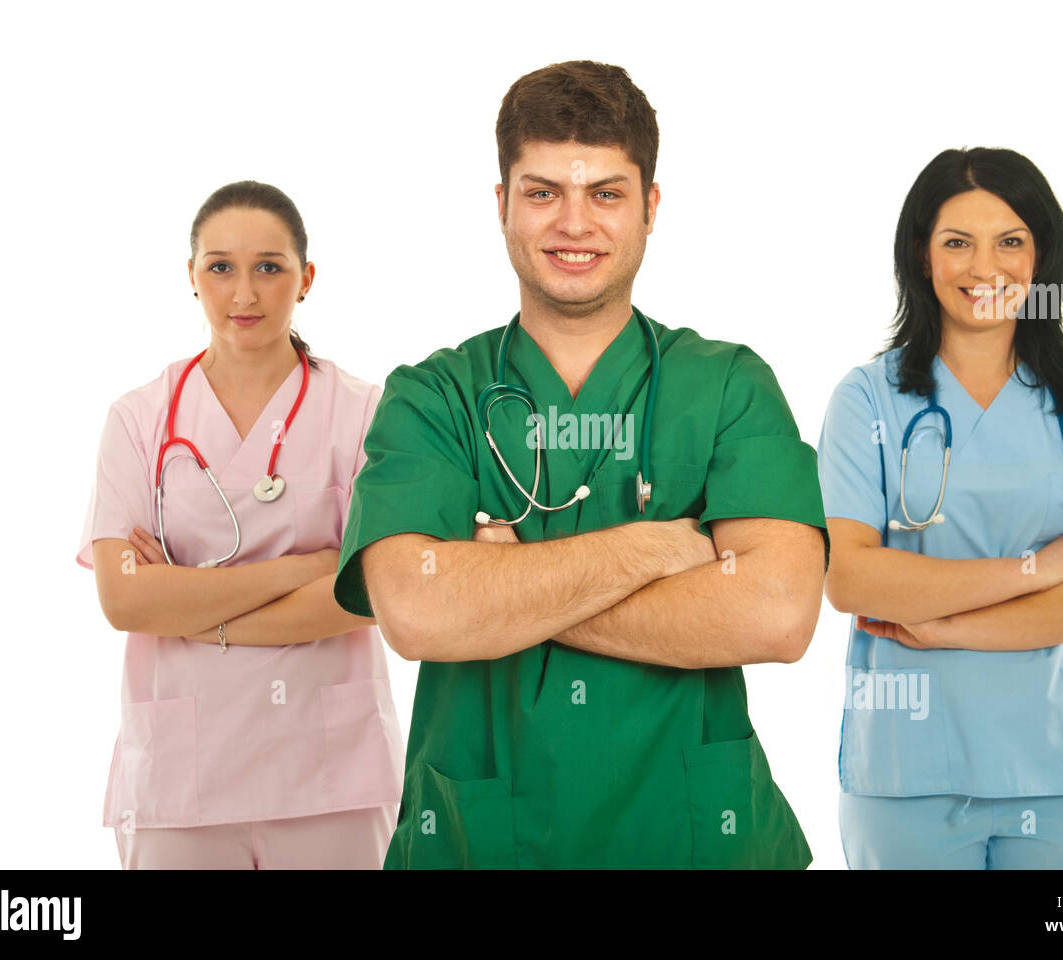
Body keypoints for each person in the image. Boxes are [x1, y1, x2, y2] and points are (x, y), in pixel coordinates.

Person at [332, 60, 829, 869]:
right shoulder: (433, 396)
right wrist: (656, 550)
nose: (574, 223)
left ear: (650, 208)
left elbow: (776, 613)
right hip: (485, 839)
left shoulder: (729, 384)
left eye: (605, 193)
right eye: (542, 193)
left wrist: (506, 585)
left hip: (696, 835)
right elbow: (418, 613)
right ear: (500, 206)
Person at [817, 147, 1063, 869]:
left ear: (1042, 257)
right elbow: (854, 580)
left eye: (1011, 242)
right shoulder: (867, 401)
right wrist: (1037, 570)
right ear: (921, 254)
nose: (985, 268)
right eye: (957, 243)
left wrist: (944, 630)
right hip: (907, 778)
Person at [76, 180, 404, 869]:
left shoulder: (363, 413)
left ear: (306, 278)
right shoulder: (139, 419)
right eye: (220, 267)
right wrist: (307, 568)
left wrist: (190, 607)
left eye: (269, 267)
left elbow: (371, 591)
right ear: (191, 278)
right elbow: (126, 599)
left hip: (329, 776)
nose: (245, 294)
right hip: (180, 780)